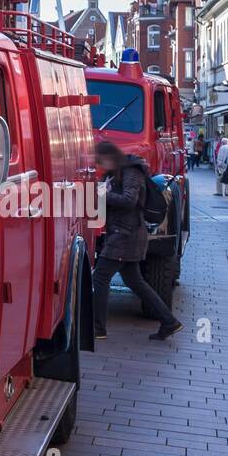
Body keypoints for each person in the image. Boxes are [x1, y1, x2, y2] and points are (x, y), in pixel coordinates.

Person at [92, 140, 183, 341]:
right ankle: (169, 321)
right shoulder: (117, 173)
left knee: (100, 277)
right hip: (124, 232)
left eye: (102, 161)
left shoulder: (131, 172)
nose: (100, 165)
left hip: (126, 235)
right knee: (135, 282)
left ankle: (98, 328)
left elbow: (129, 200)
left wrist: (103, 195)